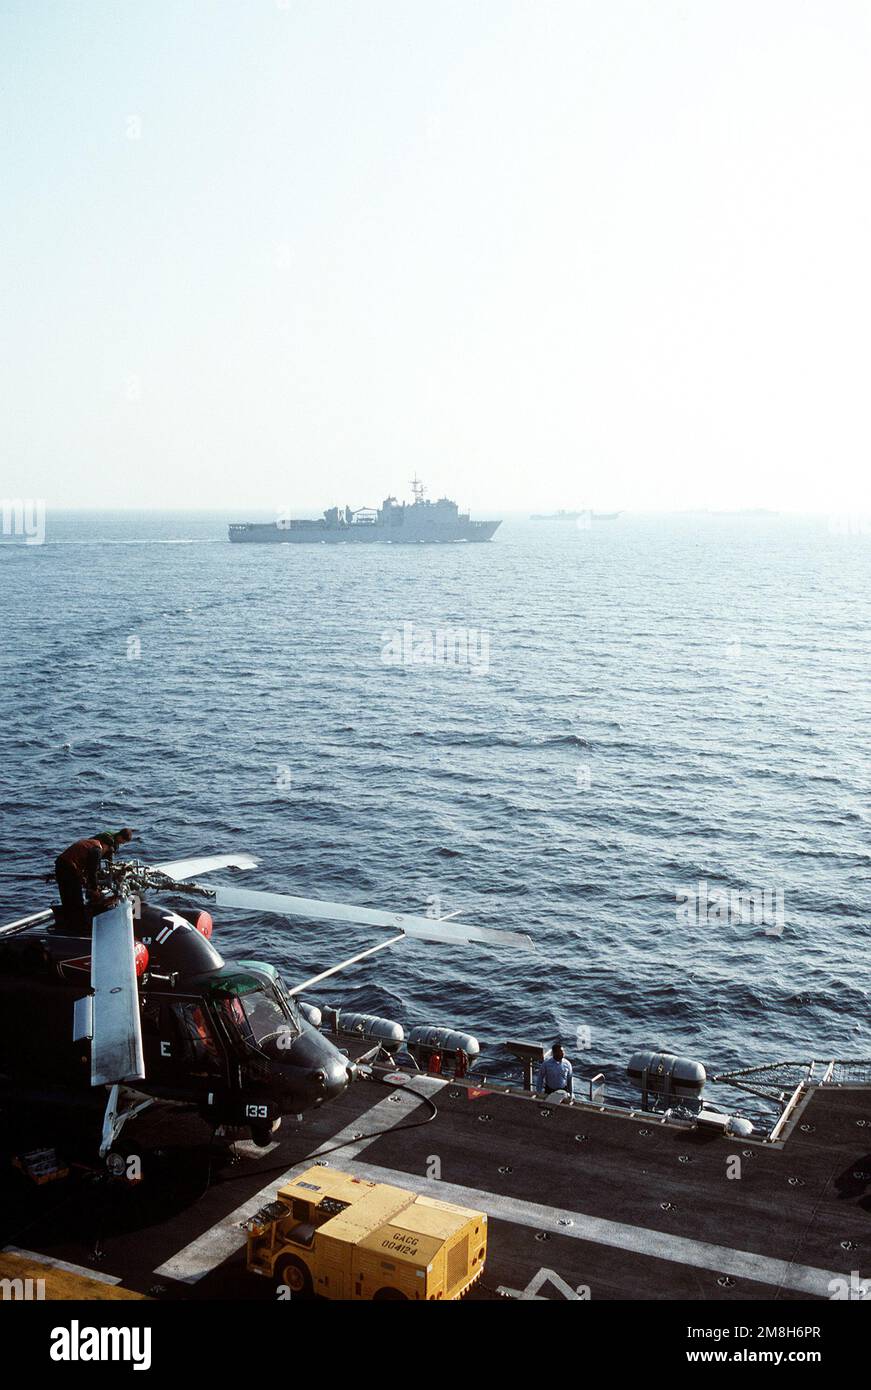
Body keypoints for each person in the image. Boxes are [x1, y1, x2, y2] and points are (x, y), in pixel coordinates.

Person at [54, 828, 134, 928]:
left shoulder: (92, 844)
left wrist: (84, 878)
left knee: (68, 898)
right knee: (76, 899)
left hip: (63, 865)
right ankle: (77, 926)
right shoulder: (97, 850)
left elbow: (86, 866)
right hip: (67, 868)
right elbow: (92, 872)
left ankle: (68, 923)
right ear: (107, 845)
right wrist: (95, 889)